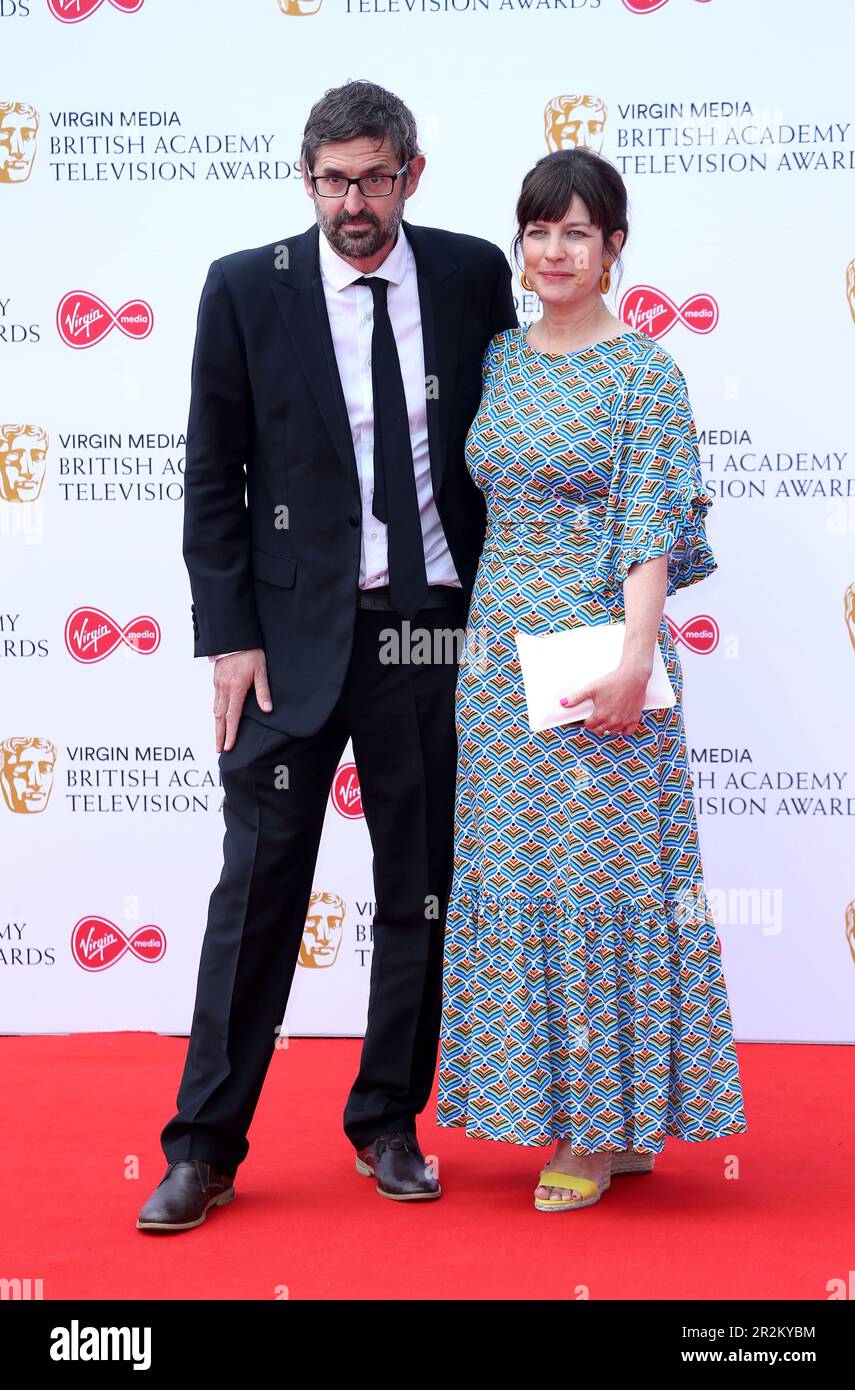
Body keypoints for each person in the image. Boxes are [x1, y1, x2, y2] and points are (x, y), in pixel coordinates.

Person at [136, 79, 517, 1232]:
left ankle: (387, 1119)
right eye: (332, 180)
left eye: (374, 177)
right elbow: (213, 475)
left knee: (419, 891)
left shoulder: (464, 275)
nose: (354, 202)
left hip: (429, 632)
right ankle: (203, 1145)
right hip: (290, 641)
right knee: (254, 897)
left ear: (411, 173)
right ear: (307, 180)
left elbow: (498, 443)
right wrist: (228, 637)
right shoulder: (247, 288)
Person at [436, 147, 747, 1211]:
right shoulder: (498, 358)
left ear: (615, 247)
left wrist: (631, 659)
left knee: (601, 887)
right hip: (496, 660)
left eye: (576, 232)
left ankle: (596, 1129)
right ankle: (585, 1114)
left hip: (597, 660)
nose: (553, 251)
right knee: (524, 878)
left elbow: (650, 530)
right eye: (537, 231)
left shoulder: (642, 372)